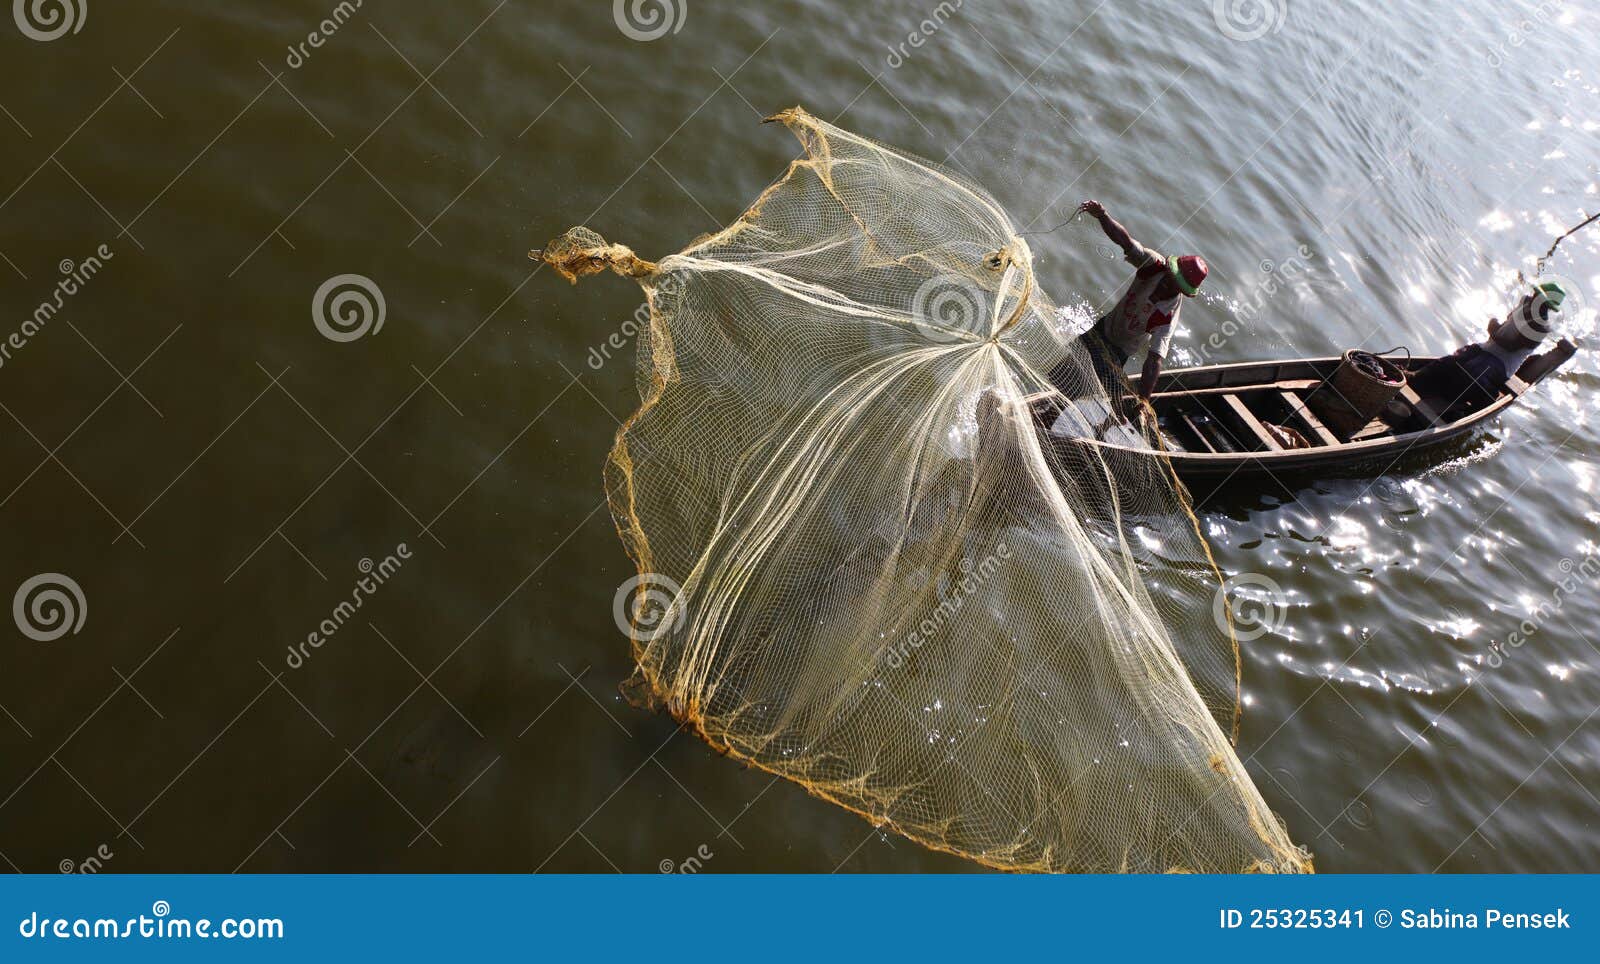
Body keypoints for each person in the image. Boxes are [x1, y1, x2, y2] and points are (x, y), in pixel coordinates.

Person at [1051, 199, 1208, 402]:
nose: (1167, 284)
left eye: (1174, 285)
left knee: (1072, 391)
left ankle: (1048, 417)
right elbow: (1126, 242)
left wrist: (1144, 399)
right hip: (1104, 329)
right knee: (1058, 375)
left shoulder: (1167, 315)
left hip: (1118, 352)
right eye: (1169, 278)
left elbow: (1154, 359)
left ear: (1182, 290)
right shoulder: (1154, 266)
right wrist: (1102, 215)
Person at [1410, 282, 1568, 413]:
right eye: (1535, 294)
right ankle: (1415, 377)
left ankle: (1485, 399)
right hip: (1486, 348)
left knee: (1474, 372)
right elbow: (1508, 322)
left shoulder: (1541, 328)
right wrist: (1496, 327)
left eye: (1538, 297)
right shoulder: (1525, 301)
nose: (1533, 297)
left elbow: (1511, 346)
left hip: (1502, 363)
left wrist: (1492, 330)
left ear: (1545, 305)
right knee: (1452, 360)